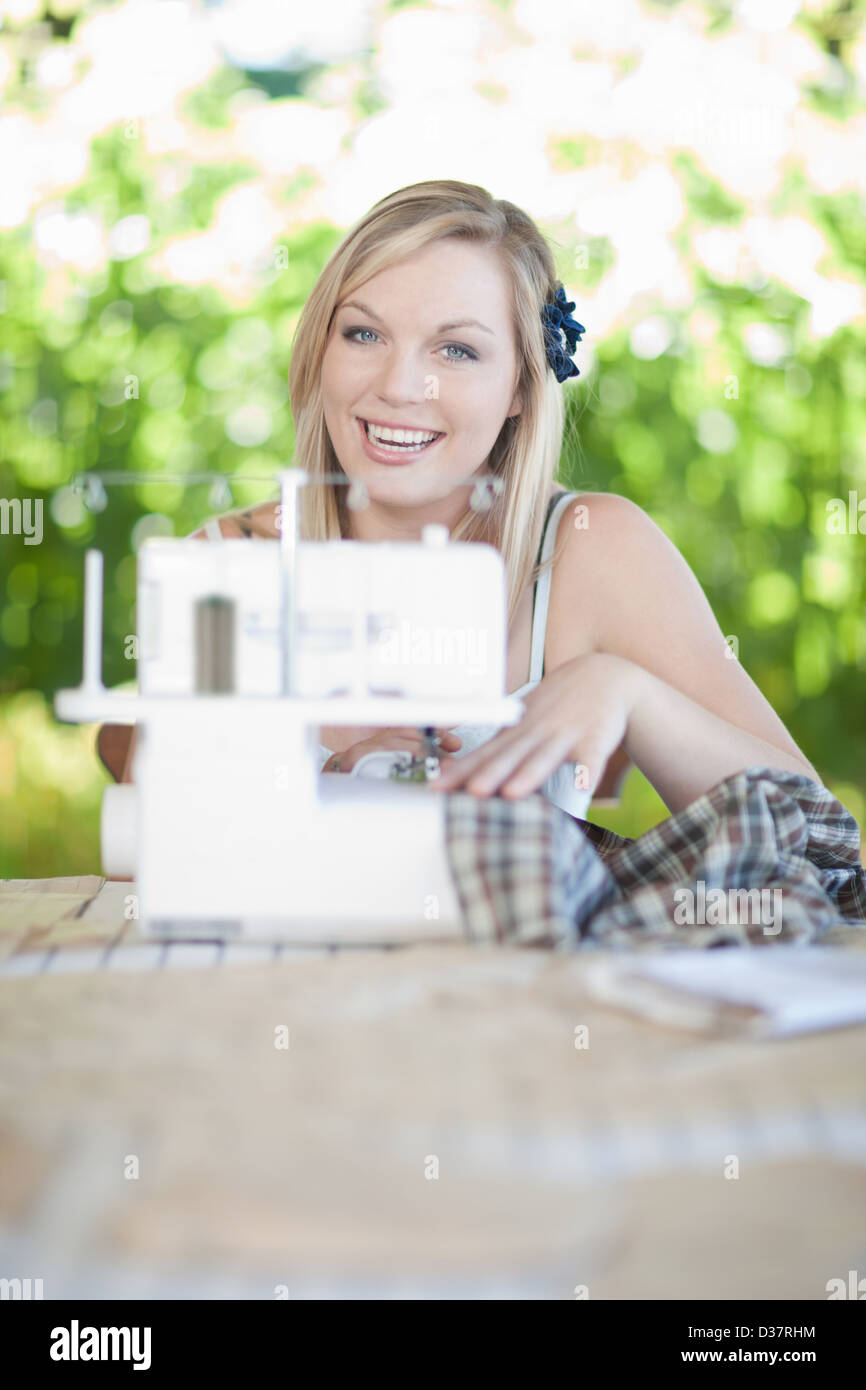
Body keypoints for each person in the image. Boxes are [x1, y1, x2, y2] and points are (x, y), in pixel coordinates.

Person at [106, 178, 820, 816]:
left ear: (520, 386)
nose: (398, 387)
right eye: (364, 333)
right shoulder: (229, 563)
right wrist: (319, 781)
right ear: (321, 351)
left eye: (457, 350)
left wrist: (628, 694)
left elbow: (819, 841)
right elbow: (147, 803)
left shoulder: (591, 549)